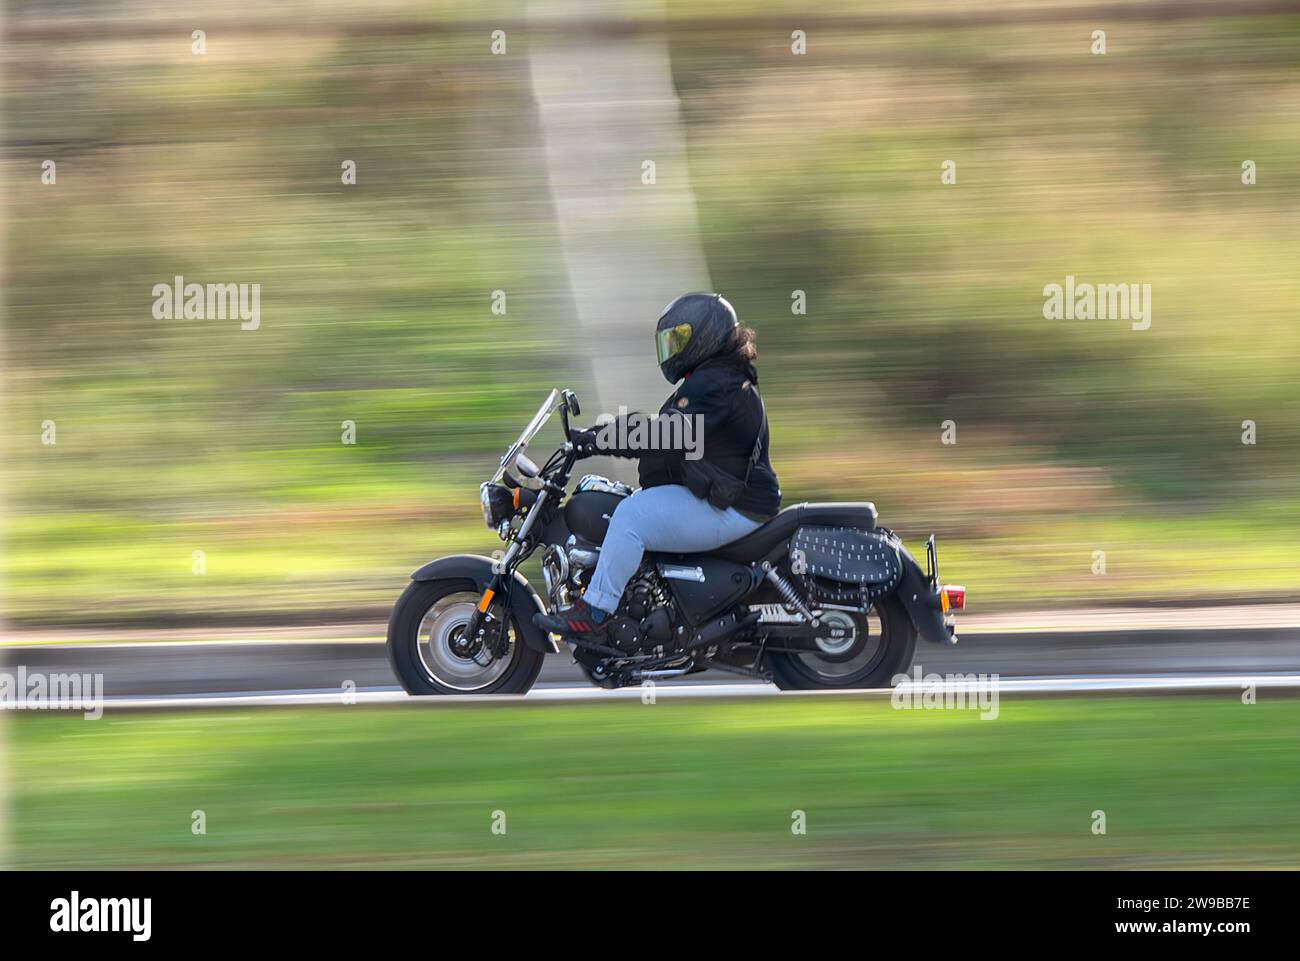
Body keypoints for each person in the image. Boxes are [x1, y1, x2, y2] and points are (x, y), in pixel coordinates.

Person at [535, 293, 781, 636]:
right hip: (726, 498)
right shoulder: (716, 379)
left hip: (733, 506)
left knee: (632, 516)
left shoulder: (716, 384)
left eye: (678, 338)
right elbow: (665, 430)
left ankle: (595, 612)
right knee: (628, 504)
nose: (672, 349)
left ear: (704, 335)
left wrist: (598, 441)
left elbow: (667, 434)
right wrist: (599, 433)